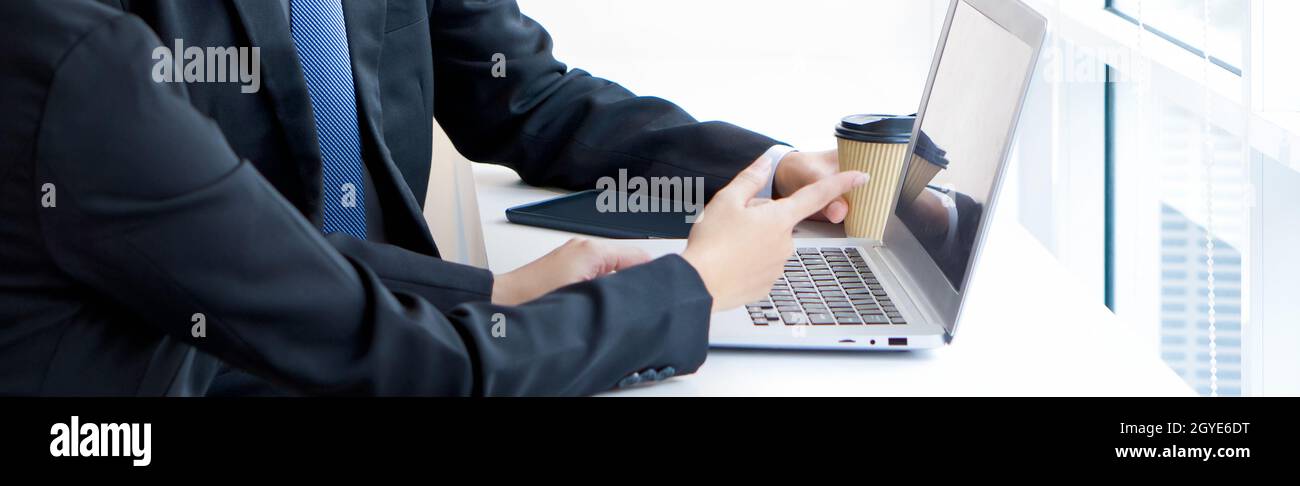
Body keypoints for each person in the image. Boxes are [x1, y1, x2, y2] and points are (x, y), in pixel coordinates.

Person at [0, 0, 866, 396]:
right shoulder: (79, 53)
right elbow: (269, 290)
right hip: (237, 360)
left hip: (384, 319)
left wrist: (767, 166)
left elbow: (523, 96)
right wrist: (693, 288)